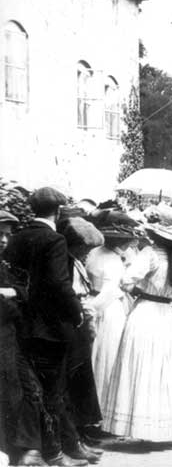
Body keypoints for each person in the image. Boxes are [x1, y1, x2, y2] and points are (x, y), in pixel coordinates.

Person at [102, 203, 172, 446]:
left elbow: (127, 280)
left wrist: (137, 288)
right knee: (169, 371)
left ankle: (144, 426)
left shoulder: (149, 254)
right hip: (167, 315)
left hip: (146, 313)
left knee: (144, 367)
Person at [4, 187, 88, 466]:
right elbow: (58, 284)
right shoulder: (55, 240)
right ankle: (55, 453)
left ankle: (50, 450)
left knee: (33, 391)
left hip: (20, 326)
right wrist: (77, 313)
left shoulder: (15, 238)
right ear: (59, 211)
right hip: (50, 330)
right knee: (53, 392)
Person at [0, 210, 47, 467]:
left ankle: (25, 451)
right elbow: (13, 305)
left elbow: (23, 292)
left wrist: (11, 292)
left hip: (9, 339)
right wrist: (14, 297)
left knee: (24, 391)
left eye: (7, 235)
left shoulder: (2, 264)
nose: (4, 240)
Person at [57, 218, 105, 465]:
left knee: (80, 383)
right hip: (71, 328)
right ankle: (72, 441)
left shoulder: (75, 261)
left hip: (81, 327)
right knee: (70, 384)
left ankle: (78, 437)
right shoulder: (63, 262)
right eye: (83, 249)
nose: (86, 254)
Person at [84, 211, 139, 421]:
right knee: (108, 359)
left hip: (94, 302)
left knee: (96, 357)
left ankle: (94, 414)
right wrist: (91, 309)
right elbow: (110, 291)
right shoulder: (113, 260)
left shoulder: (94, 253)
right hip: (107, 310)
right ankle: (104, 415)